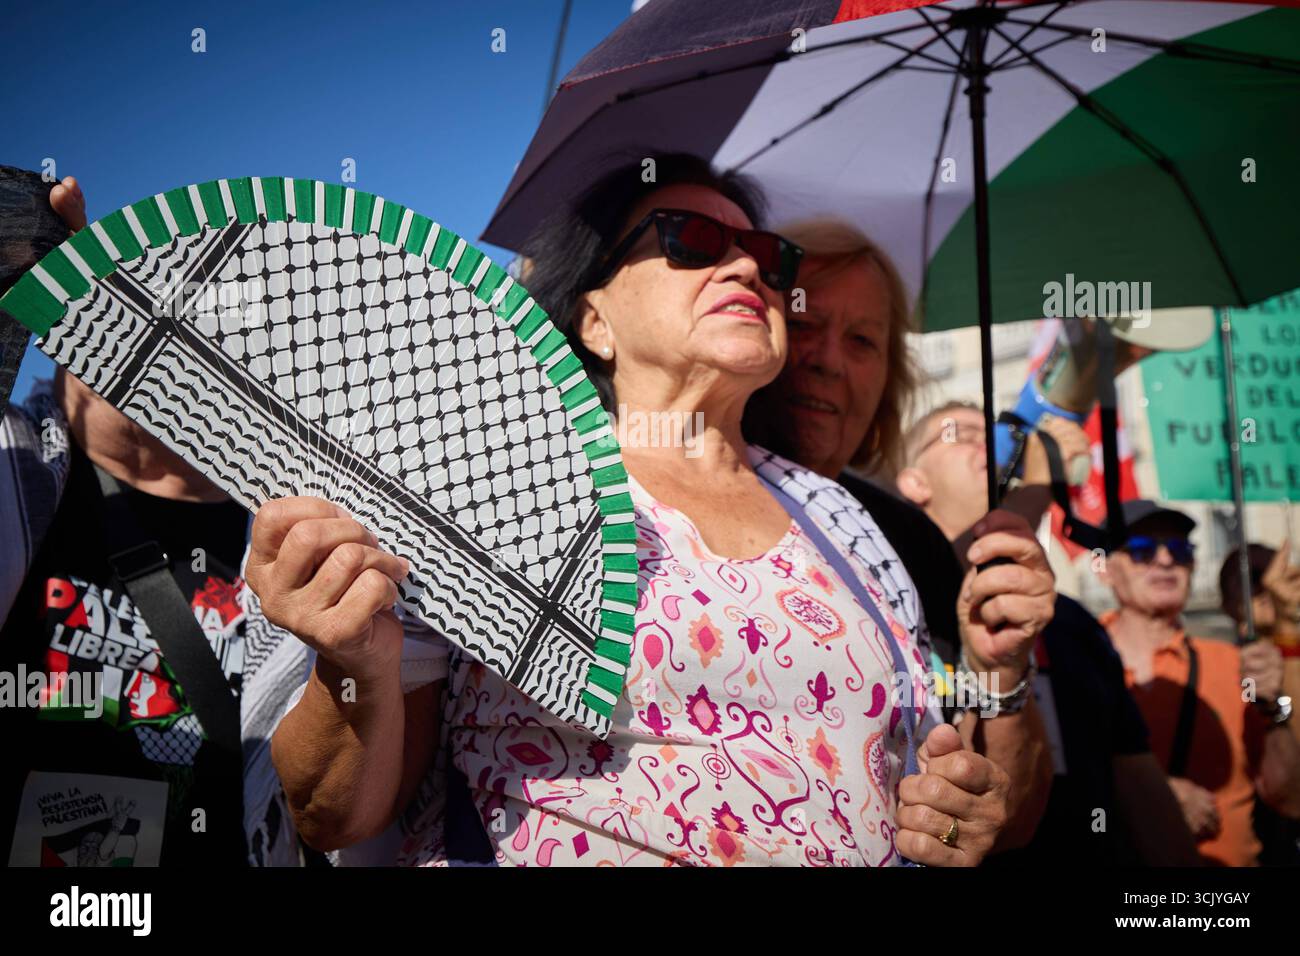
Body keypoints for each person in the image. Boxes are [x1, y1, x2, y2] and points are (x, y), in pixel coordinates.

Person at [253, 155, 1049, 866]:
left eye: (768, 257)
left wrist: (956, 811)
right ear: (594, 318)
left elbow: (953, 791)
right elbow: (334, 813)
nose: (746, 263)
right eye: (691, 241)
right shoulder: (496, 480)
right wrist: (351, 667)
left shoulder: (844, 523)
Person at [0, 177, 305, 866]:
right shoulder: (15, 471)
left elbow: (339, 810)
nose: (148, 331)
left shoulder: (297, 536)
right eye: (117, 288)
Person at [743, 218, 1058, 849]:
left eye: (864, 340)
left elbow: (1014, 823)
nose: (830, 361)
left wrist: (1000, 671)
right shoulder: (658, 509)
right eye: (804, 323)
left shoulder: (911, 542)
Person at [896, 402, 1200, 865]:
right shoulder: (896, 600)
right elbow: (956, 574)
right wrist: (1038, 484)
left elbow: (1137, 781)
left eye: (997, 438)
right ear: (914, 482)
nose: (990, 446)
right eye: (960, 434)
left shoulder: (1074, 623)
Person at [1100, 500, 1300, 866]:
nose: (1165, 561)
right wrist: (1153, 794)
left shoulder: (1236, 664)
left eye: (1180, 550)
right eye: (1143, 550)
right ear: (1104, 570)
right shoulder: (1074, 661)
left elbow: (1290, 799)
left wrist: (1273, 708)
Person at [1218, 542, 1300, 865]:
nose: (1265, 588)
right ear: (1229, 603)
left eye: (1270, 575)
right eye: (1250, 581)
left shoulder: (1290, 642)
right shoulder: (1231, 666)